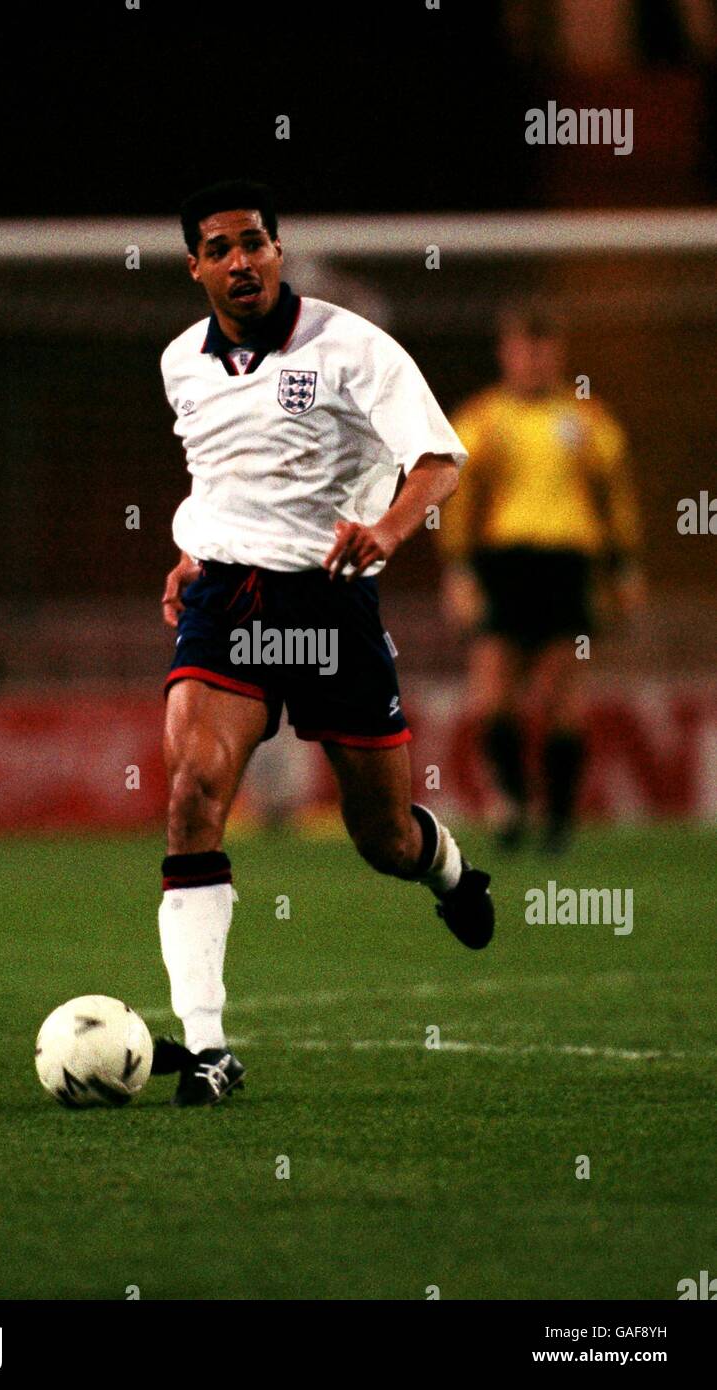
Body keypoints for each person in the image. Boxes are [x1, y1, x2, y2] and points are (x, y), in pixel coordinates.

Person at [150, 179, 495, 1107]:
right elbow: (221, 478)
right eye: (219, 248)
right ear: (196, 267)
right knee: (192, 795)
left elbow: (440, 462)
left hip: (332, 609)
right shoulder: (182, 363)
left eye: (253, 242)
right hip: (226, 605)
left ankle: (452, 872)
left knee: (382, 838)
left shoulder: (351, 347)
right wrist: (190, 553)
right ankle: (208, 1044)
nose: (240, 261)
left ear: (278, 249)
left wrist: (387, 530)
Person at [440, 304, 644, 853]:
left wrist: (624, 567)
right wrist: (458, 570)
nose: (532, 359)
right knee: (492, 695)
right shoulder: (480, 420)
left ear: (557, 354)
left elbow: (615, 497)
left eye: (542, 348)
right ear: (506, 353)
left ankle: (558, 815)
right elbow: (456, 500)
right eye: (522, 347)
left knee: (559, 692)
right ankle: (512, 801)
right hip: (501, 565)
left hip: (567, 567)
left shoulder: (589, 422)